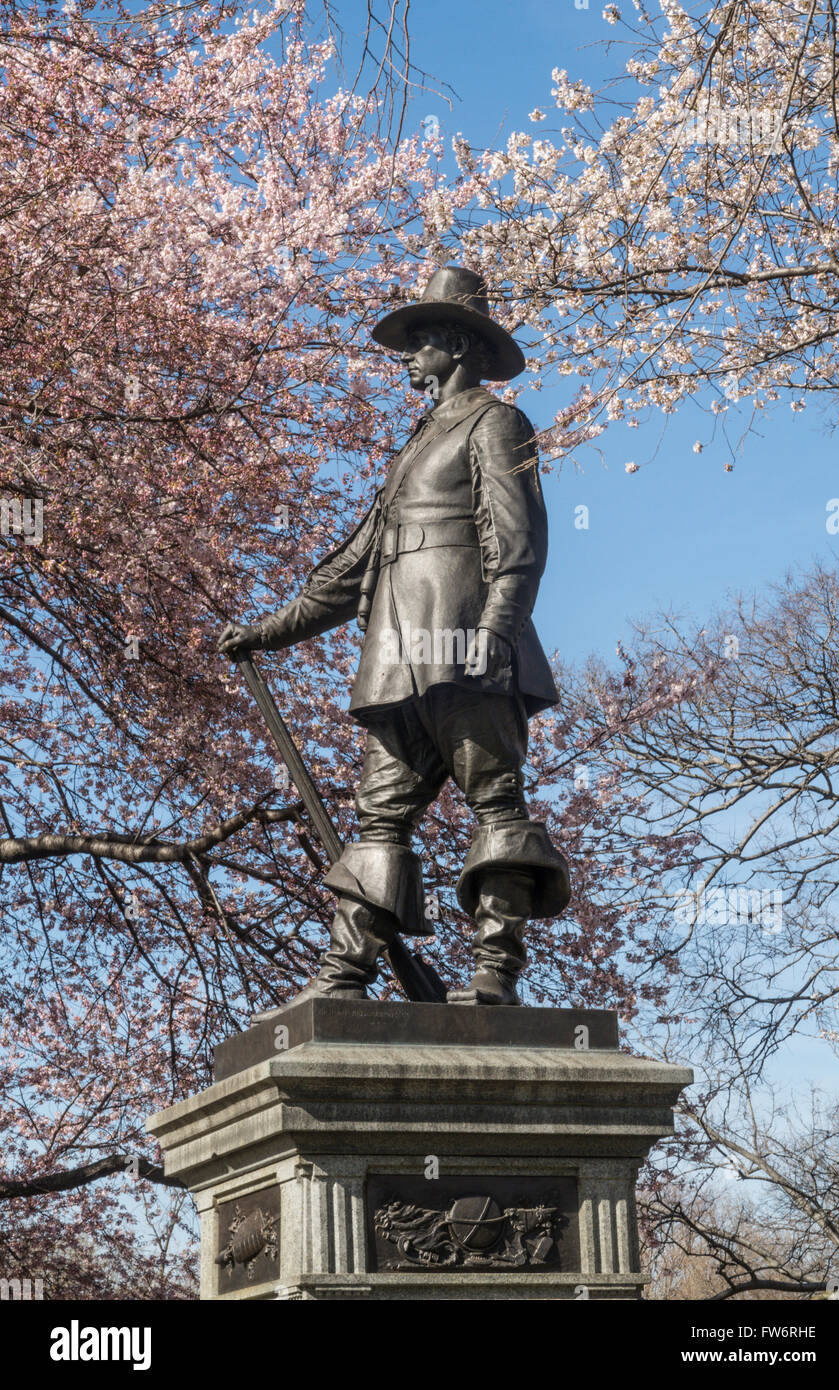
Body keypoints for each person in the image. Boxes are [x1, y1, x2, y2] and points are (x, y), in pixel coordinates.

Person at [218, 266, 570, 1008]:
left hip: (463, 645)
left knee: (495, 802)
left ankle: (493, 975)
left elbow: (518, 540)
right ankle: (345, 976)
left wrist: (496, 628)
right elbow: (350, 568)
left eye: (419, 343)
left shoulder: (496, 423)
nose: (407, 357)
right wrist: (267, 632)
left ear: (456, 344)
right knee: (380, 813)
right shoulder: (412, 447)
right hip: (396, 658)